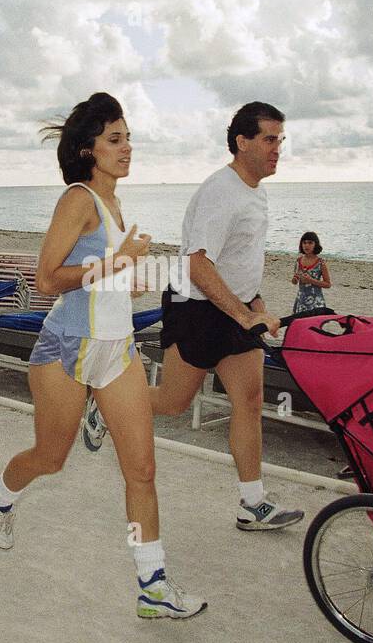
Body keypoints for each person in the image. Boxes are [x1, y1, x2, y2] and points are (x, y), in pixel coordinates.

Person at [0, 93, 206, 619]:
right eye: (115, 139)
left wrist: (131, 280)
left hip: (117, 350)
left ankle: (153, 587)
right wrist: (117, 262)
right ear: (87, 150)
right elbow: (46, 279)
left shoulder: (116, 206)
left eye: (129, 137)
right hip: (66, 349)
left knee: (142, 470)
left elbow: (102, 282)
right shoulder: (77, 199)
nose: (127, 148)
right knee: (51, 459)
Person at [85, 102, 304, 532]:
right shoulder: (221, 191)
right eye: (269, 139)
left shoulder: (255, 191)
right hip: (198, 310)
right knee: (172, 402)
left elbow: (237, 260)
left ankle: (252, 503)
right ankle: (102, 400)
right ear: (242, 143)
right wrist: (243, 314)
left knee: (250, 402)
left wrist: (254, 304)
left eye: (281, 139)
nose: (278, 148)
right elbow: (197, 264)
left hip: (236, 311)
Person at [291, 231, 330, 314]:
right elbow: (295, 281)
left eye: (310, 243)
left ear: (315, 244)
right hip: (301, 300)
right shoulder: (298, 261)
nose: (306, 245)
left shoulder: (320, 263)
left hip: (316, 302)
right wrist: (295, 279)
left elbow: (328, 284)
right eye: (304, 243)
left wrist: (311, 280)